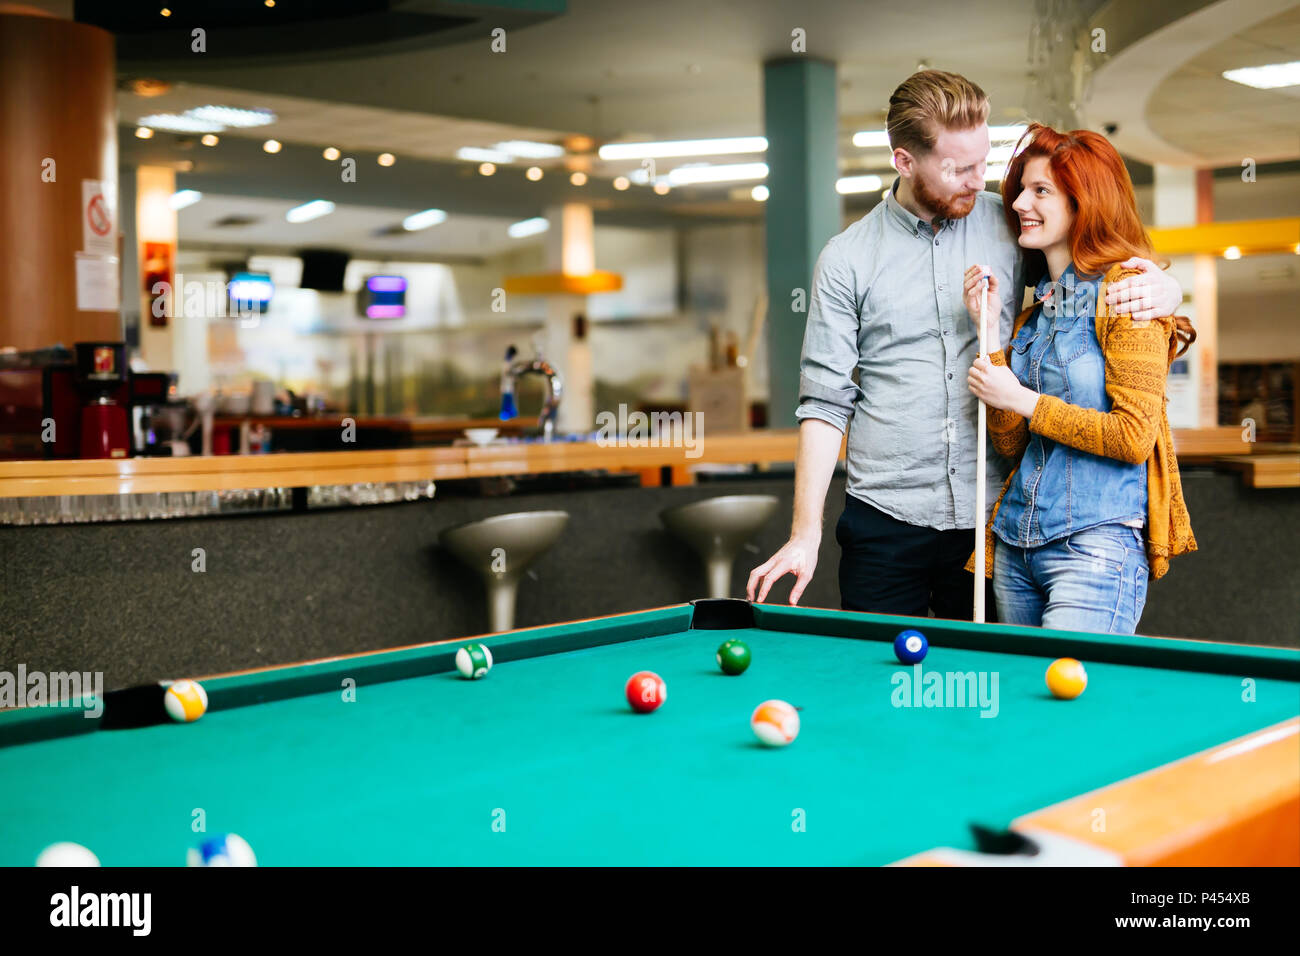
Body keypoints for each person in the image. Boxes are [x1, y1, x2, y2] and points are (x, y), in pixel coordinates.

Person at [746, 69, 1183, 618]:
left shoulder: (1012, 226)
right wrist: (804, 533)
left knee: (990, 692)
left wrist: (1168, 289)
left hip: (991, 522)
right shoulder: (846, 259)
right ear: (905, 161)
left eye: (984, 162)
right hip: (884, 520)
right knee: (878, 687)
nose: (981, 182)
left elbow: (1087, 272)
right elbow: (824, 405)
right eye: (959, 168)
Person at [962, 123, 1197, 634]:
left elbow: (1133, 438)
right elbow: (1009, 442)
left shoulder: (1130, 294)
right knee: (1025, 708)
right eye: (1021, 188)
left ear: (1083, 202)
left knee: (1071, 705)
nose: (1021, 202)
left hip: (1093, 547)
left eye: (1041, 190)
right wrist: (989, 334)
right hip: (1016, 547)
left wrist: (1023, 399)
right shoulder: (1035, 312)